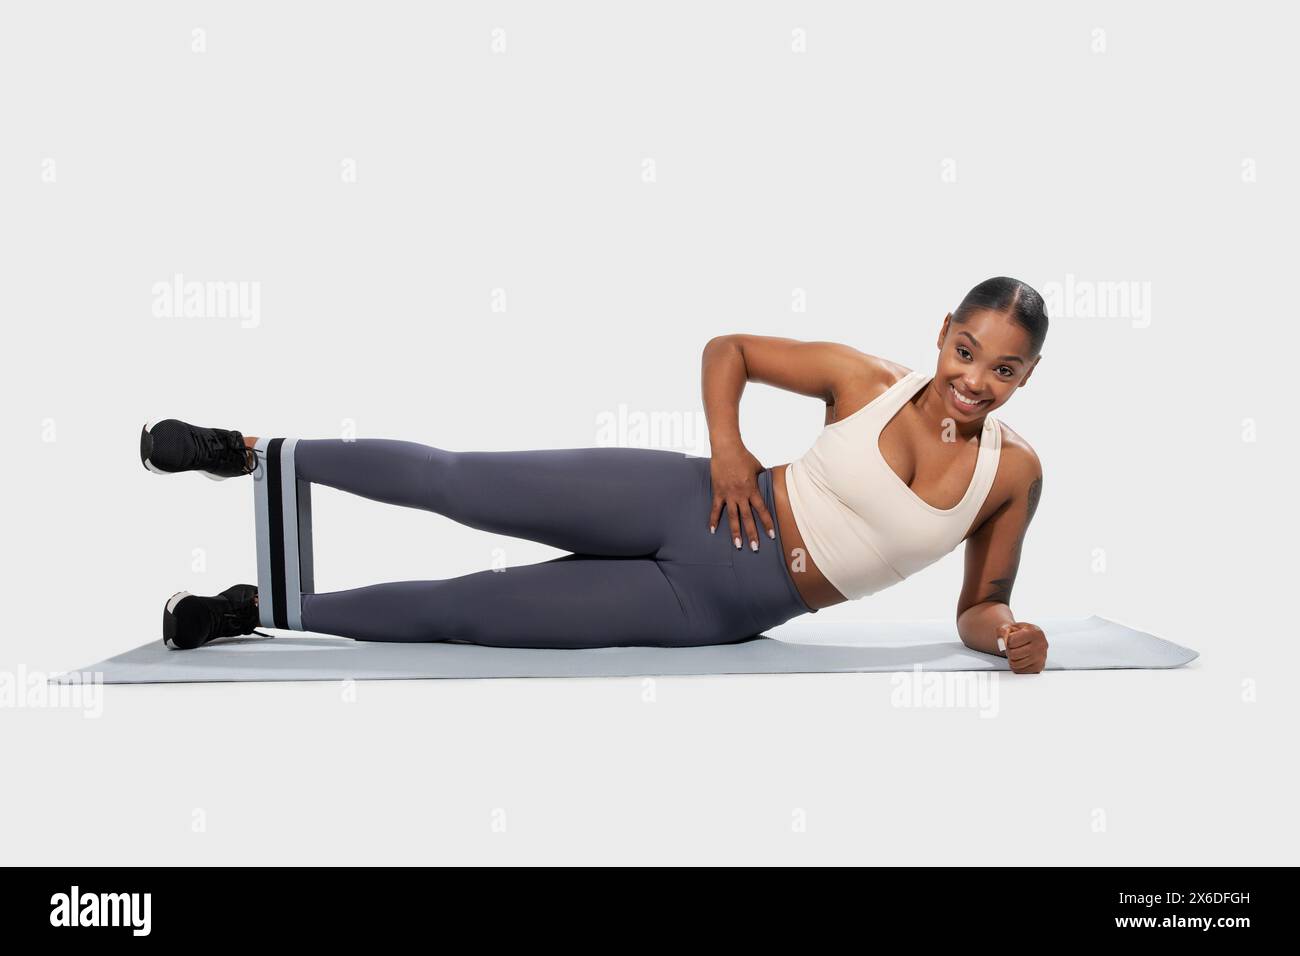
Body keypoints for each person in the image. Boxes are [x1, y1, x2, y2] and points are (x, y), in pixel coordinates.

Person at [142, 276, 1049, 673]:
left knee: (470, 613)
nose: (975, 380)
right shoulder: (866, 380)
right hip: (690, 499)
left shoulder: (1012, 476)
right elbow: (727, 347)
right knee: (462, 482)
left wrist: (1005, 634)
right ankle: (251, 453)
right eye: (967, 350)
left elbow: (978, 605)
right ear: (944, 330)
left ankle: (251, 611)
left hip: (719, 609)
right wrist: (729, 451)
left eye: (1002, 370)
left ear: (1026, 378)